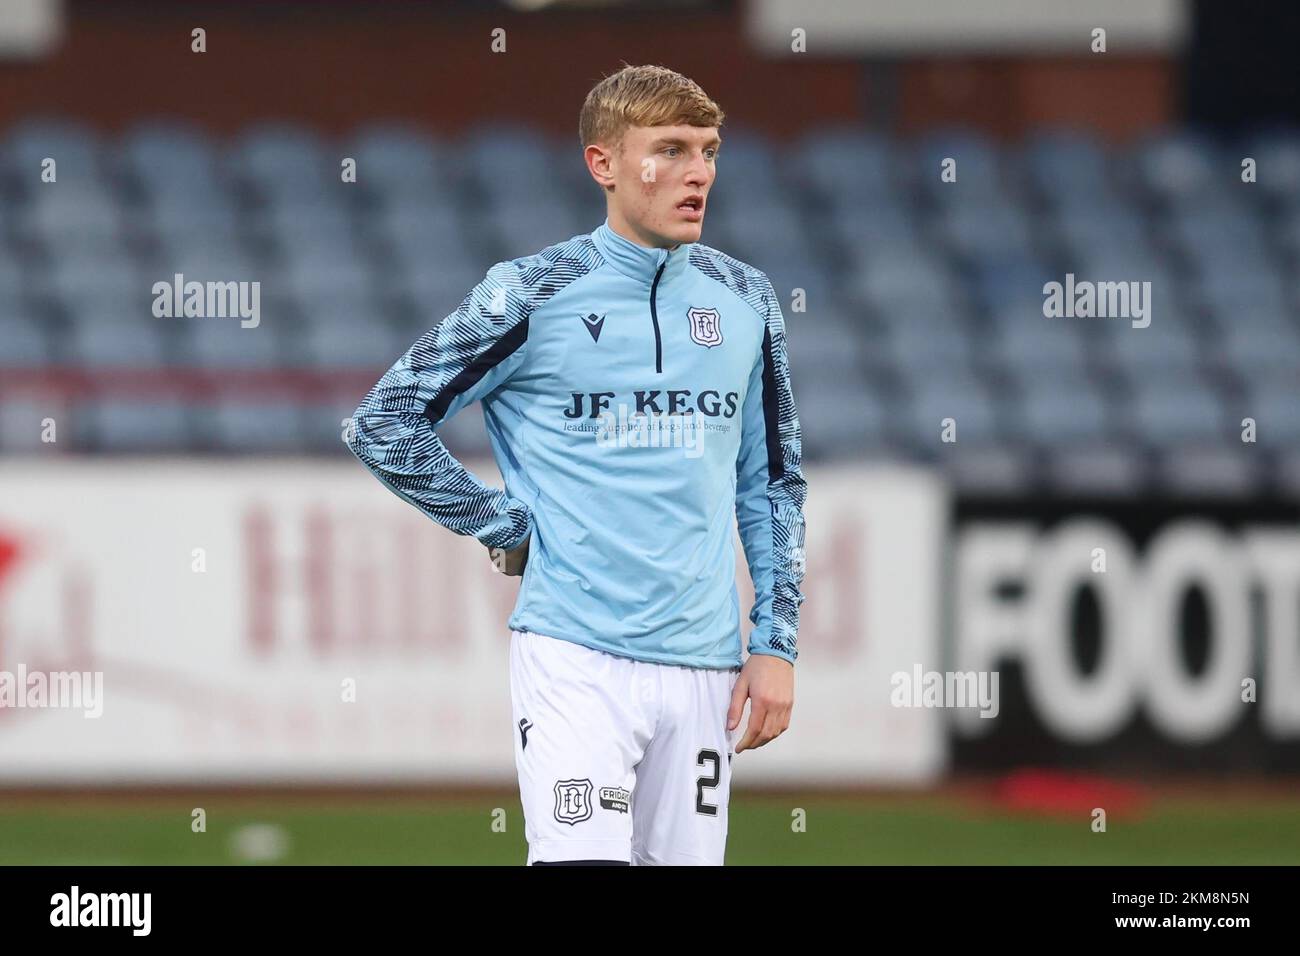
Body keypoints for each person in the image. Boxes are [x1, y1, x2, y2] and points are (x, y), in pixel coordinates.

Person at [347, 64, 806, 865]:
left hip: (707, 667)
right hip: (575, 657)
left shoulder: (747, 300)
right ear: (604, 164)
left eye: (709, 150)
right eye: (670, 149)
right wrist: (500, 522)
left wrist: (777, 642)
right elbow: (385, 421)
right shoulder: (529, 292)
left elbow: (770, 482)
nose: (698, 171)